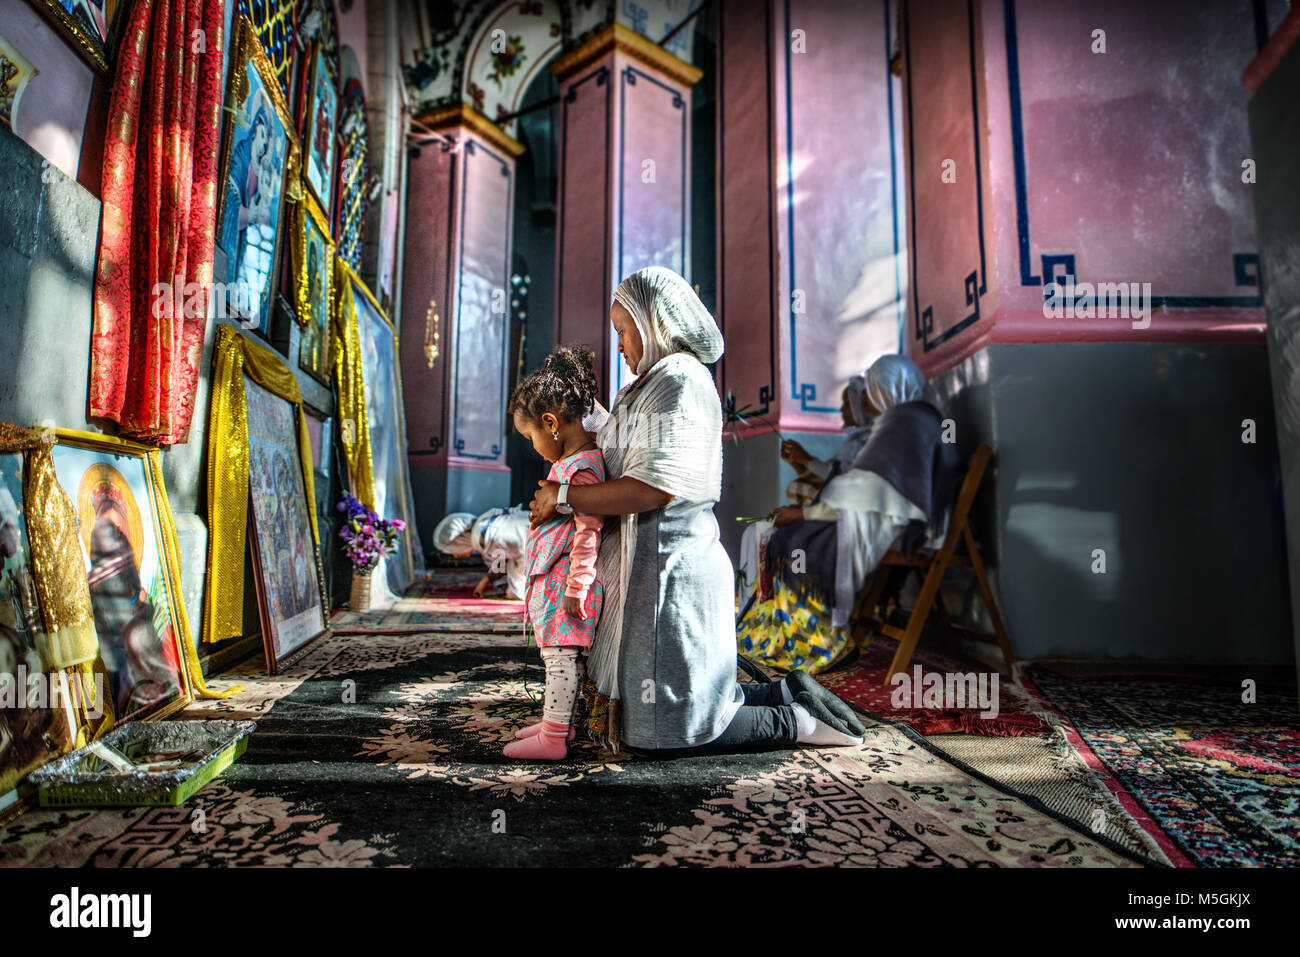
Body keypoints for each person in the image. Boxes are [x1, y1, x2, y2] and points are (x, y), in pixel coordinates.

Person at [529, 266, 865, 756]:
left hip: (671, 575)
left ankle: (797, 722)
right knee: (678, 705)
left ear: (653, 323)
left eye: (624, 331)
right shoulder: (644, 386)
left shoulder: (680, 381)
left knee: (669, 731)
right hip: (648, 576)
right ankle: (788, 692)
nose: (619, 344)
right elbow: (610, 445)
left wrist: (562, 498)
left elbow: (652, 487)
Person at [738, 354, 961, 673]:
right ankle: (793, 632)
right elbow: (861, 485)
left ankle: (815, 639)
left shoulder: (906, 421)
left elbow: (865, 488)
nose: (865, 401)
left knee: (796, 539)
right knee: (791, 536)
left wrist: (804, 515)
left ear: (886, 389)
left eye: (871, 390)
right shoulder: (905, 419)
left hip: (887, 519)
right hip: (883, 514)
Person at [502, 345, 606, 760]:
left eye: (531, 437)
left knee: (560, 661)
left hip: (567, 582)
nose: (533, 446)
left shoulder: (582, 468)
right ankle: (557, 724)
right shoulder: (571, 463)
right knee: (558, 658)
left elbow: (589, 531)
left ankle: (553, 738)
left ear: (551, 422)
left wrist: (577, 586)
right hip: (552, 578)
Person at [779, 374, 875, 505]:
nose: (842, 409)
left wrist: (806, 459)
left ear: (859, 406)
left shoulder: (870, 442)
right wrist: (797, 463)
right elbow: (825, 480)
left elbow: (839, 481)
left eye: (847, 403)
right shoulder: (853, 440)